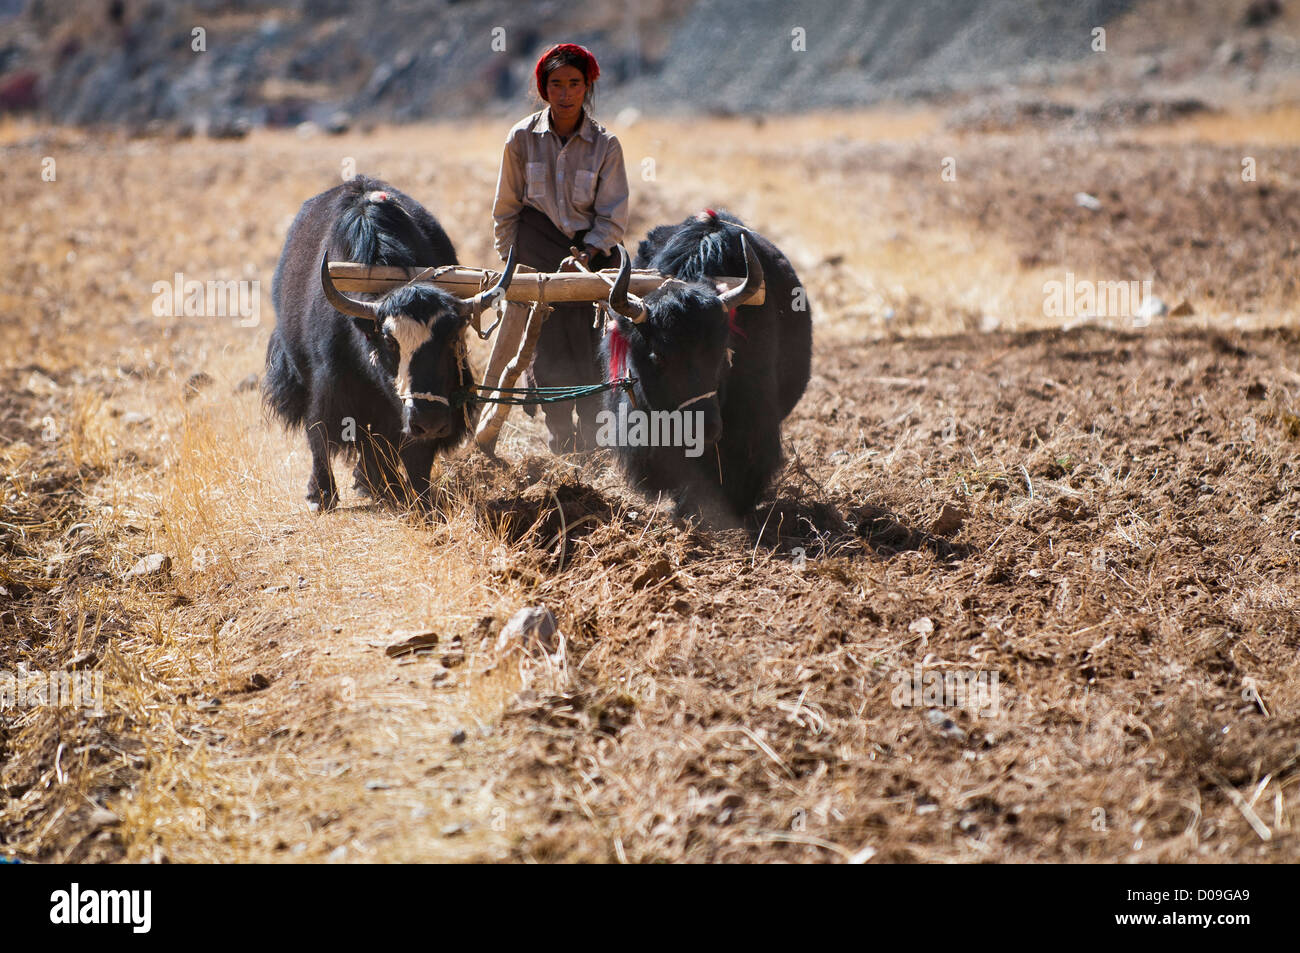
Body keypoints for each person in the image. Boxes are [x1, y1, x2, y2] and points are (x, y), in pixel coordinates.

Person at [476, 42, 630, 455]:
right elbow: (506, 208)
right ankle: (561, 439)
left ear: (587, 86)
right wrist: (515, 266)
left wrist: (589, 251)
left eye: (574, 84)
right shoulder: (521, 139)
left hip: (590, 260)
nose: (565, 94)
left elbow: (613, 216)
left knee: (592, 347)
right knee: (546, 349)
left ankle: (596, 446)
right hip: (537, 255)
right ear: (544, 89)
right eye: (556, 84)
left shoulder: (606, 145)